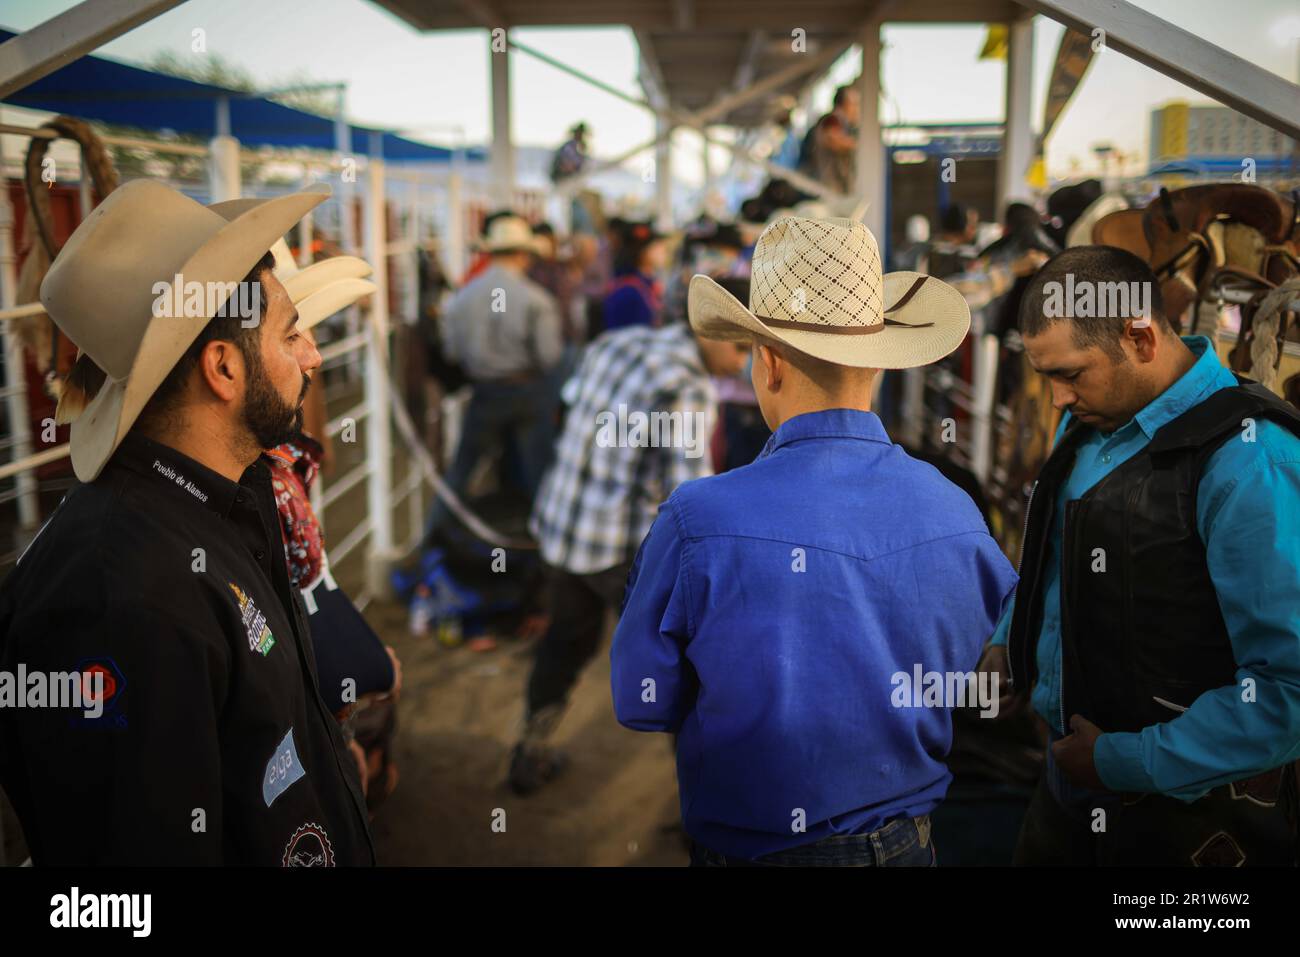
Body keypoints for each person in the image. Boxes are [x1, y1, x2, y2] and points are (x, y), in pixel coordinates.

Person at [610, 215, 1018, 866]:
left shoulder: (696, 519)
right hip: (907, 846)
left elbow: (641, 699)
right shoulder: (957, 512)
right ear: (878, 365)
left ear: (767, 363)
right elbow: (998, 678)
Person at [0, 180, 374, 865]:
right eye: (291, 332)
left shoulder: (230, 491)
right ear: (224, 368)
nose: (313, 355)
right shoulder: (115, 594)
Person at [980, 246, 1300, 866]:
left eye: (1071, 374)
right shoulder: (1096, 422)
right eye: (1048, 376)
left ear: (1140, 337)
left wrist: (1123, 760)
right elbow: (1059, 560)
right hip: (1071, 789)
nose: (1056, 400)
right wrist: (1012, 641)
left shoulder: (1250, 462)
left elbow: (1288, 688)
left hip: (1195, 829)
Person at [507, 316, 750, 794]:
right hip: (616, 547)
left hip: (561, 526)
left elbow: (569, 408)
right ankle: (706, 794)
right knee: (685, 664)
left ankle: (527, 752)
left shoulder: (616, 341)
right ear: (710, 334)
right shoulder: (687, 386)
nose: (741, 363)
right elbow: (688, 499)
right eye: (740, 349)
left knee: (565, 642)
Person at [425, 214, 564, 542]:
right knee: (540, 474)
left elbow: (453, 351)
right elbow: (550, 357)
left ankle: (430, 540)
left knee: (460, 472)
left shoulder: (462, 297)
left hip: (484, 392)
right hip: (527, 391)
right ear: (522, 254)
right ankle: (548, 545)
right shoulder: (536, 299)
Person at [601, 219, 668, 332]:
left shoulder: (646, 283)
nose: (664, 251)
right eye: (657, 246)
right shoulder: (627, 292)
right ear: (643, 252)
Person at [798, 86, 859, 194]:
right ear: (845, 104)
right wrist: (863, 145)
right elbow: (835, 142)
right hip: (825, 189)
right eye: (854, 104)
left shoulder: (842, 124)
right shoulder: (832, 120)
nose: (857, 109)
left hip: (829, 188)